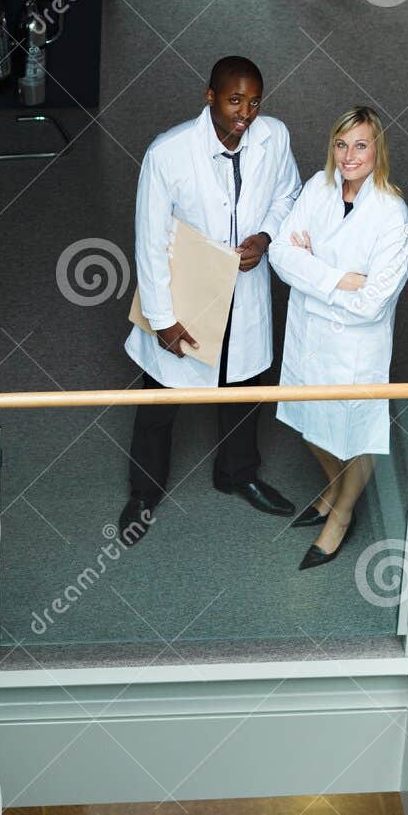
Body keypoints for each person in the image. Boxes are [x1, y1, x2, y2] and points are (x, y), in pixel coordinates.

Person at [119, 56, 302, 543]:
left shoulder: (274, 137)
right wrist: (162, 318)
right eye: (234, 99)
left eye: (254, 101)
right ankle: (143, 492)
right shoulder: (168, 153)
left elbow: (289, 194)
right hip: (186, 293)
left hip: (245, 292)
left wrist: (265, 237)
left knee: (242, 392)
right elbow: (150, 241)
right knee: (160, 399)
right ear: (210, 97)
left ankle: (237, 473)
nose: (246, 112)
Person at [268, 107, 408, 572]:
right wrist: (338, 278)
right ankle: (335, 488)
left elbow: (372, 303)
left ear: (378, 150)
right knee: (308, 420)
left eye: (361, 145)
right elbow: (279, 252)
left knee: (356, 432)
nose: (349, 156)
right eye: (341, 144)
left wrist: (311, 276)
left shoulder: (393, 216)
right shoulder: (318, 186)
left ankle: (343, 511)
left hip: (356, 348)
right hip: (307, 337)